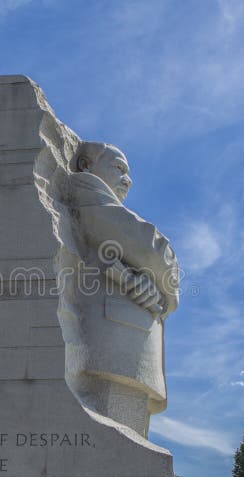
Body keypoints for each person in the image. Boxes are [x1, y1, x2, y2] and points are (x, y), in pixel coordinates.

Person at [62, 141, 179, 437]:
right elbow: (153, 252)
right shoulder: (85, 192)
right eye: (118, 168)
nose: (127, 180)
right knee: (108, 447)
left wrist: (154, 290)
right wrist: (163, 281)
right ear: (87, 165)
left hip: (126, 337)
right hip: (113, 340)